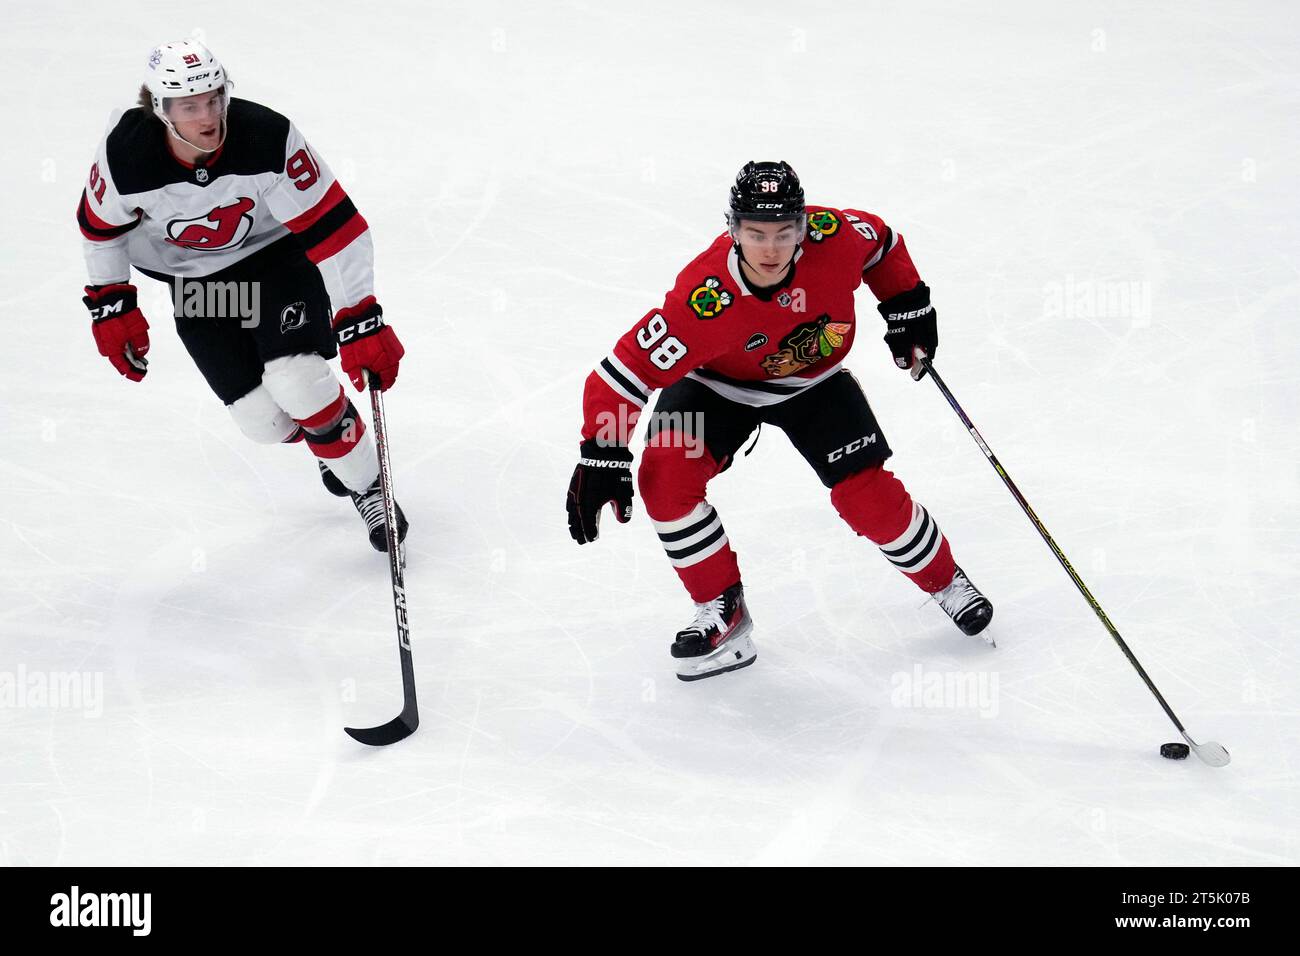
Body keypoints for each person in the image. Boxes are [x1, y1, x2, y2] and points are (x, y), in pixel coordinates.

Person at [566, 161, 993, 681]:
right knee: (665, 479)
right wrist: (602, 452)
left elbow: (882, 243)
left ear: (804, 228)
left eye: (784, 233)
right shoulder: (703, 301)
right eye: (755, 234)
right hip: (715, 389)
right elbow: (625, 371)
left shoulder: (835, 237)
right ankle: (724, 611)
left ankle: (946, 581)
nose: (770, 250)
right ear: (733, 230)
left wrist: (906, 307)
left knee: (868, 498)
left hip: (813, 386)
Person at [77, 39, 407, 551]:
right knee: (263, 421)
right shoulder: (127, 156)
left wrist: (362, 317)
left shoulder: (266, 137)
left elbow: (336, 227)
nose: (209, 116)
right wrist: (111, 305)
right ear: (161, 110)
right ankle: (330, 440)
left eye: (214, 98)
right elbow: (100, 229)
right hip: (201, 287)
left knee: (297, 381)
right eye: (190, 106)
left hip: (276, 264)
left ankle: (369, 487)